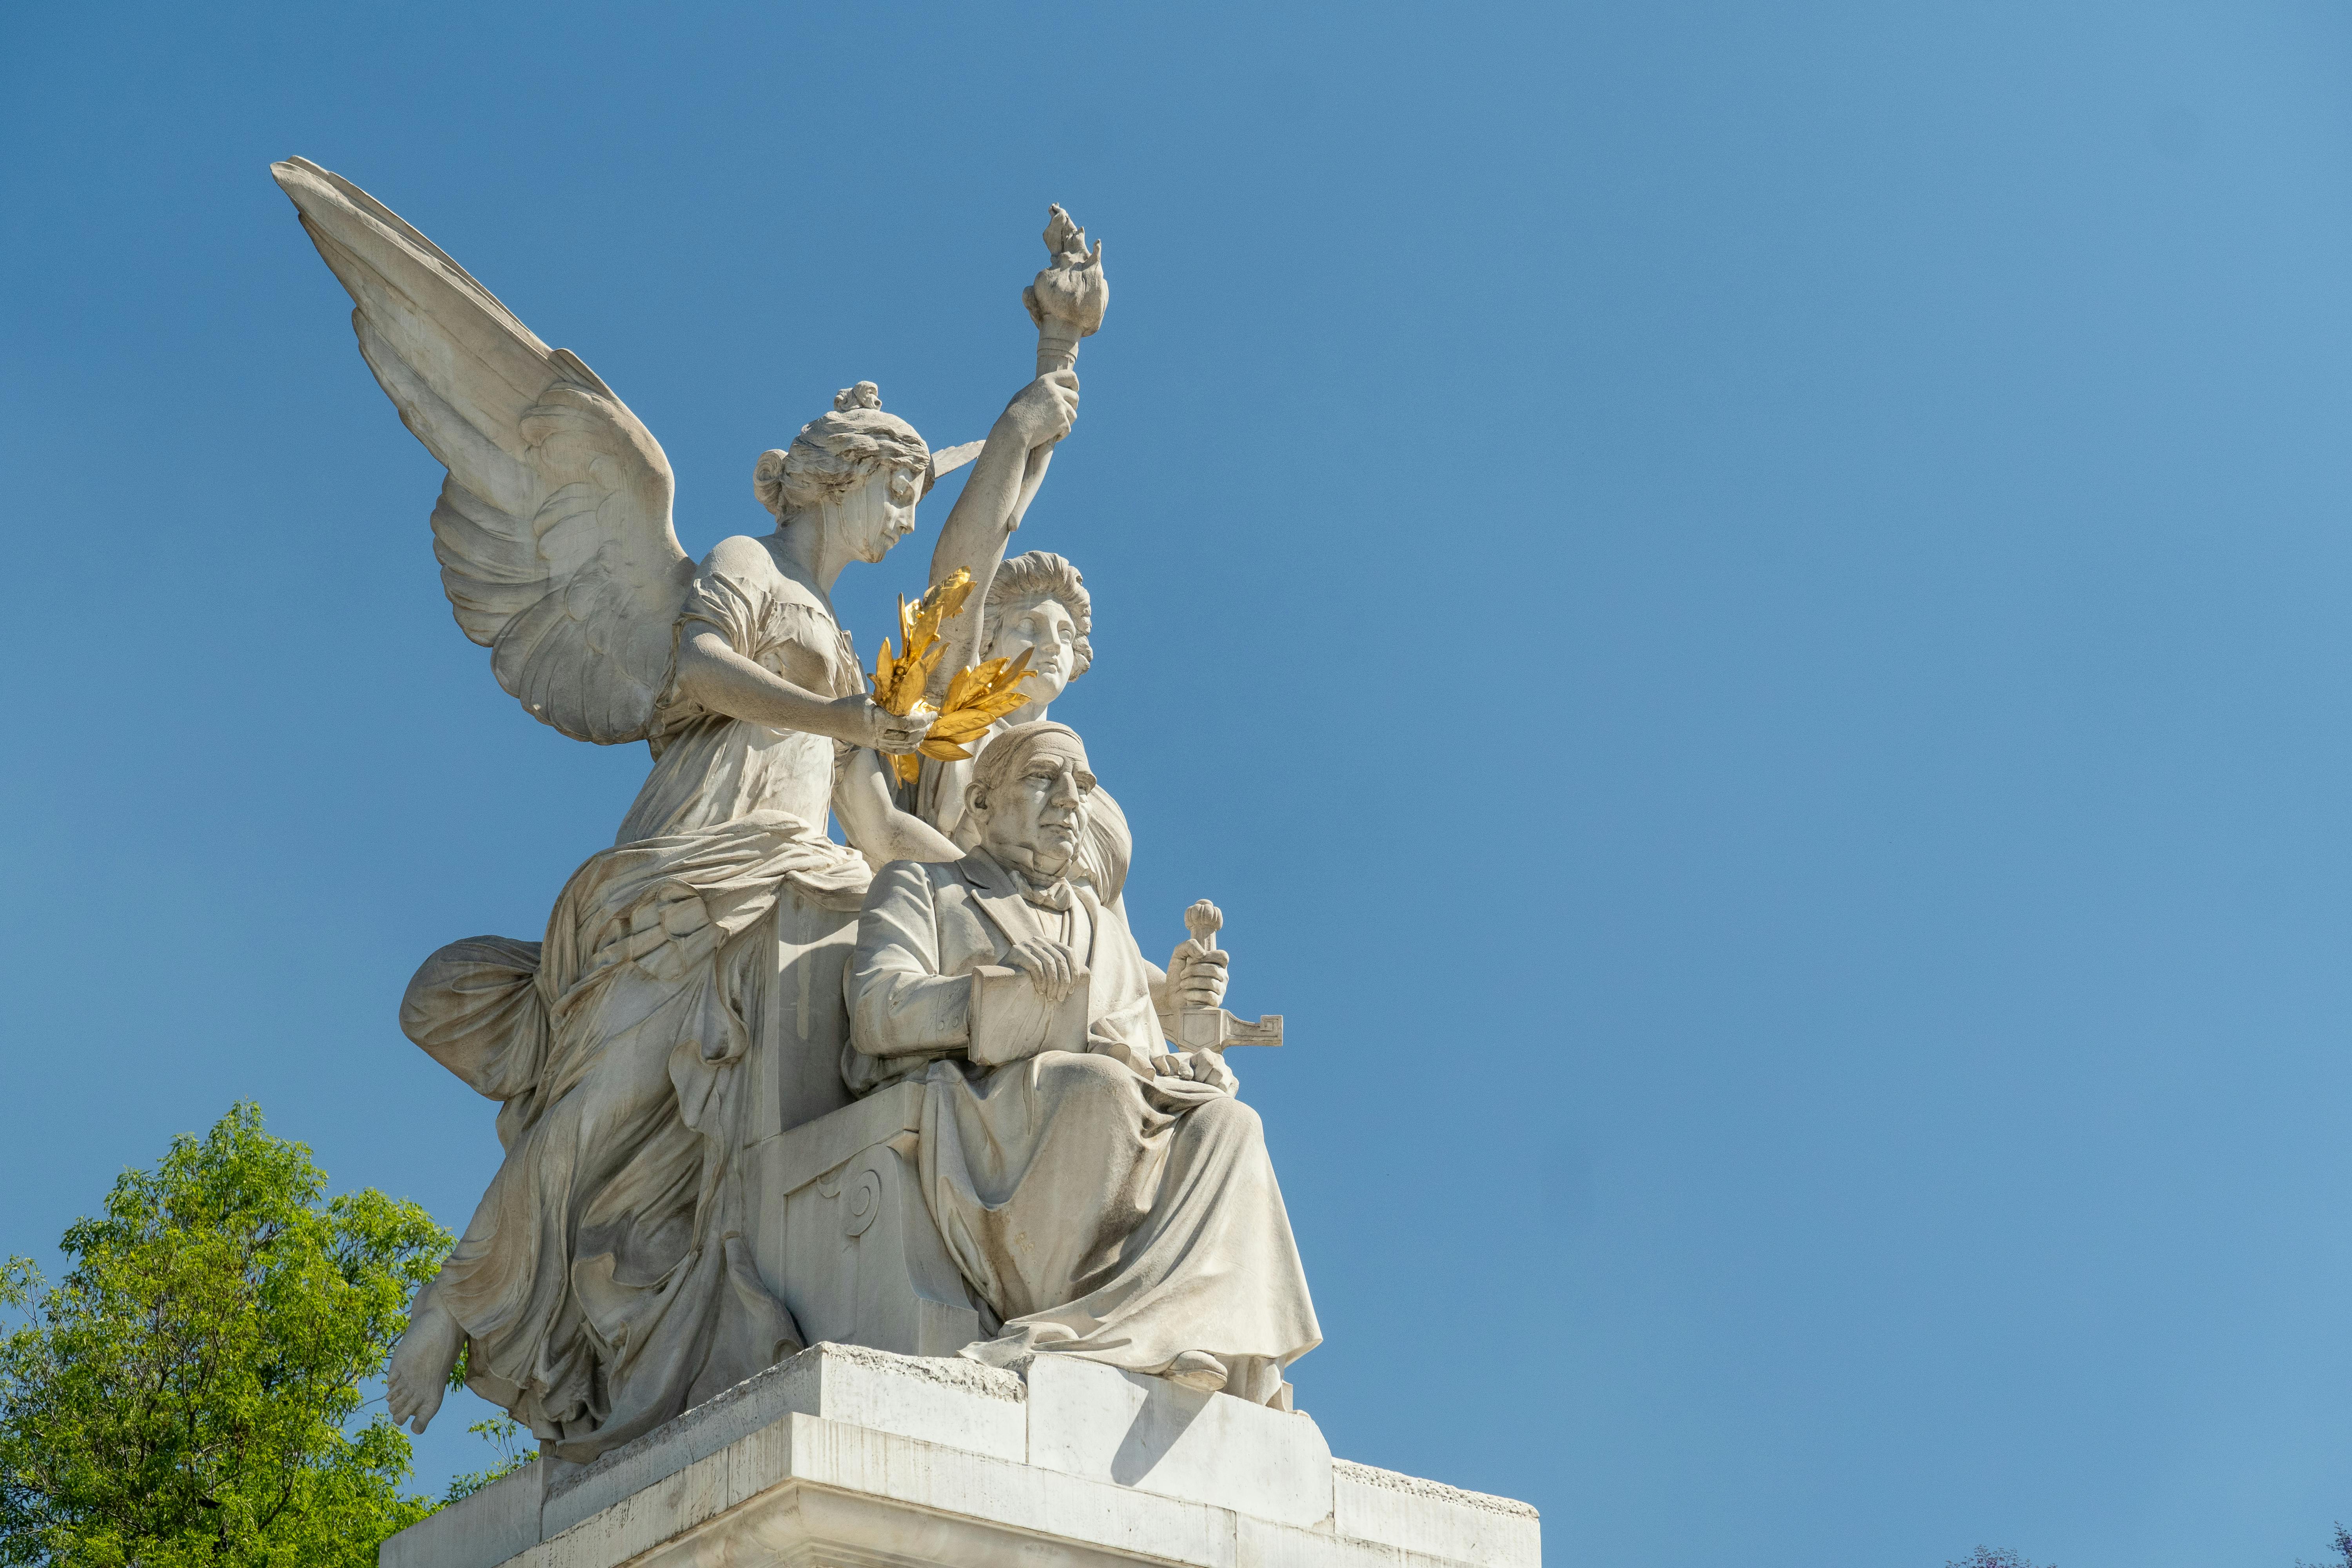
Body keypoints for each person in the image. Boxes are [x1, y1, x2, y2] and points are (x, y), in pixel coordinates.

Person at [386, 375, 1078, 1462]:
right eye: (895, 493)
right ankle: (456, 1304)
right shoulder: (746, 565)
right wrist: (837, 714)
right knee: (598, 1116)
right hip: (692, 875)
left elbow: (875, 827)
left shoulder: (847, 644)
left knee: (890, 969)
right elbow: (703, 670)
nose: (903, 519)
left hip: (795, 871)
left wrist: (1006, 888)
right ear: (842, 481)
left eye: (911, 495)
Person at [845, 722, 1320, 1404]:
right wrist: (994, 989)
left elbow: (1135, 1043)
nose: (1073, 799)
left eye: (1085, 785)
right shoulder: (921, 886)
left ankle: (1183, 1327)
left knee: (1228, 1124)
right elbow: (877, 1008)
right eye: (1045, 778)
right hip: (990, 1112)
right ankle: (1087, 1325)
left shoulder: (1101, 924)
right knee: (1101, 1087)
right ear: (981, 804)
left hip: (1100, 1103)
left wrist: (1189, 1066)